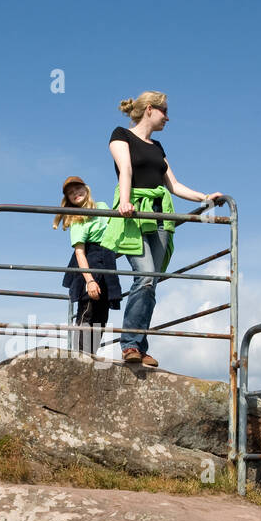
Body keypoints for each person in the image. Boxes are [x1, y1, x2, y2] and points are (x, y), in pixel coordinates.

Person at [103, 91, 220, 367]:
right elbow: (126, 169)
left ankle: (140, 347)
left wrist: (205, 198)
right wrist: (126, 201)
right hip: (134, 212)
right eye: (164, 110)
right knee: (144, 277)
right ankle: (129, 344)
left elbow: (175, 185)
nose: (168, 117)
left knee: (152, 282)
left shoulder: (158, 147)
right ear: (149, 110)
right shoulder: (121, 134)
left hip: (159, 215)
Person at [55, 176, 120, 355]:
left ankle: (92, 354)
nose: (75, 193)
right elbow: (79, 253)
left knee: (102, 313)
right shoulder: (78, 219)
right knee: (88, 308)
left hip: (107, 262)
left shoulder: (102, 207)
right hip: (89, 264)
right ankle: (80, 355)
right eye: (70, 193)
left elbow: (114, 230)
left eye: (77, 189)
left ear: (86, 189)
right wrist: (89, 280)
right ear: (68, 199)